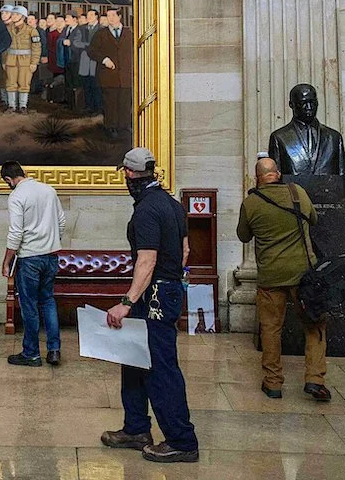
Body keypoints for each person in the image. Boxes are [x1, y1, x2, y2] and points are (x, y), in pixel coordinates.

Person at [101, 147, 198, 464]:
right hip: (165, 291)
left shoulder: (145, 211)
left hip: (153, 295)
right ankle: (136, 429)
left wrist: (126, 303)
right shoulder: (171, 203)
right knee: (133, 358)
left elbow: (147, 259)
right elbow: (185, 251)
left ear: (129, 174)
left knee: (160, 368)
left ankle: (182, 441)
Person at [236, 157, 331, 403]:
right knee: (315, 325)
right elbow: (315, 220)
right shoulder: (296, 192)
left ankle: (273, 383)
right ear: (277, 173)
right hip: (303, 275)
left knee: (270, 329)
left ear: (257, 178)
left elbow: (243, 236)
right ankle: (315, 379)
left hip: (270, 275)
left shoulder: (251, 202)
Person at [0, 160, 66, 367]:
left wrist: (6, 261)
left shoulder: (17, 196)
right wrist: (52, 242)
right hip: (51, 255)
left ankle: (31, 354)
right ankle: (54, 350)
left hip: (29, 258)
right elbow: (61, 221)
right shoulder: (49, 190)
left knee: (29, 306)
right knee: (47, 300)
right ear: (24, 172)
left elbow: (16, 232)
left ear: (9, 179)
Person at [267, 84, 345, 175]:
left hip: (328, 189)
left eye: (312, 102)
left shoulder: (334, 137)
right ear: (291, 104)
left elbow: (343, 179)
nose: (309, 107)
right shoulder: (279, 138)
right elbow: (274, 180)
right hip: (293, 188)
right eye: (303, 103)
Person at [87, 9, 132, 138]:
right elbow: (91, 51)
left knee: (125, 101)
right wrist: (104, 59)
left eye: (113, 15)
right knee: (110, 101)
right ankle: (110, 126)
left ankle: (124, 125)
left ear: (120, 16)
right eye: (108, 16)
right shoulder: (101, 34)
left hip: (126, 76)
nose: (110, 18)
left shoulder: (130, 33)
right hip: (108, 75)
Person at [3, 6, 41, 113]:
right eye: (13, 14)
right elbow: (4, 47)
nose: (13, 16)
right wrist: (3, 61)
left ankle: (23, 106)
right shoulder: (7, 29)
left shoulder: (31, 30)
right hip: (10, 60)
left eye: (16, 14)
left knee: (24, 83)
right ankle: (11, 106)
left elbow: (36, 47)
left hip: (26, 61)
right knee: (10, 83)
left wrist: (34, 62)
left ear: (23, 17)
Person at [69, 10, 101, 116]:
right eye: (88, 15)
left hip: (97, 61)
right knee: (86, 85)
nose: (89, 17)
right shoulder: (81, 28)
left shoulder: (102, 29)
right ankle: (89, 106)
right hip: (85, 60)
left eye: (91, 15)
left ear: (96, 16)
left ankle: (98, 107)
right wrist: (88, 46)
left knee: (96, 85)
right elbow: (76, 42)